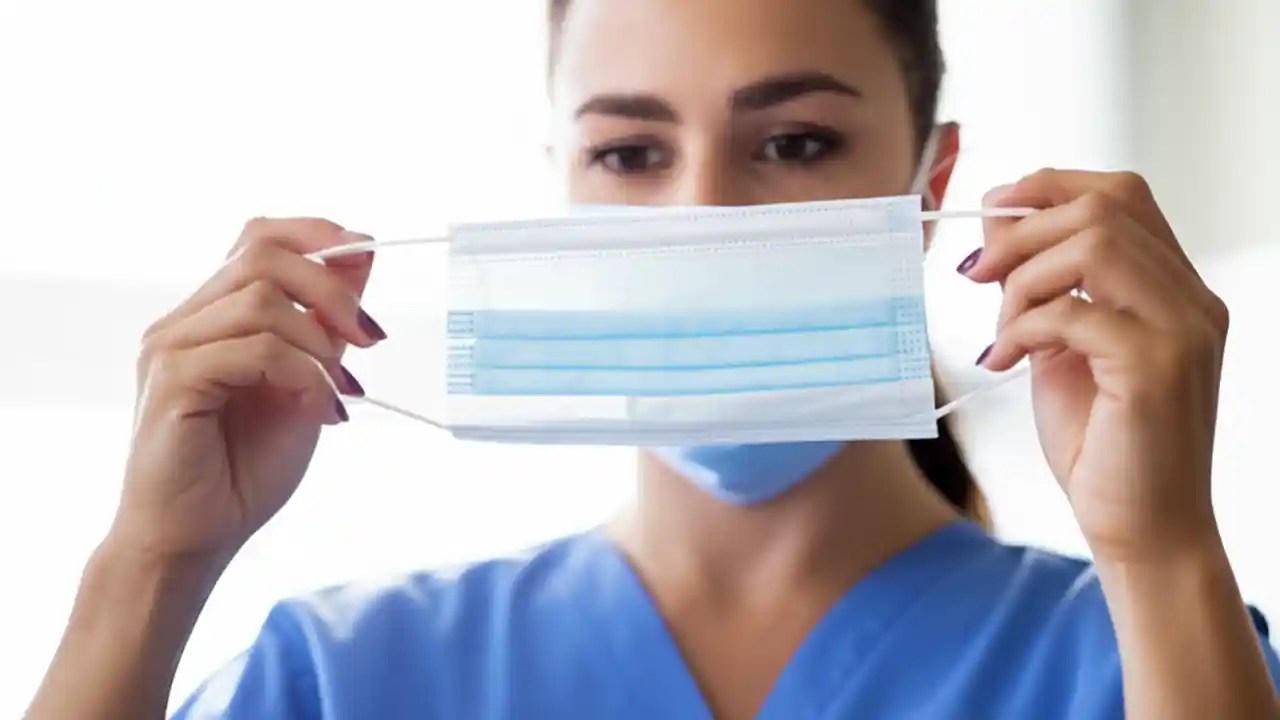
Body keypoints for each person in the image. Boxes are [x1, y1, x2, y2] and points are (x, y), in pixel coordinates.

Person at [25, 0, 1280, 718]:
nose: (704, 218)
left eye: (792, 145)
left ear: (929, 184)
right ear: (560, 190)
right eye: (628, 155)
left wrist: (1158, 547)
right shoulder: (343, 679)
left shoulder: (1142, 659)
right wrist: (148, 566)